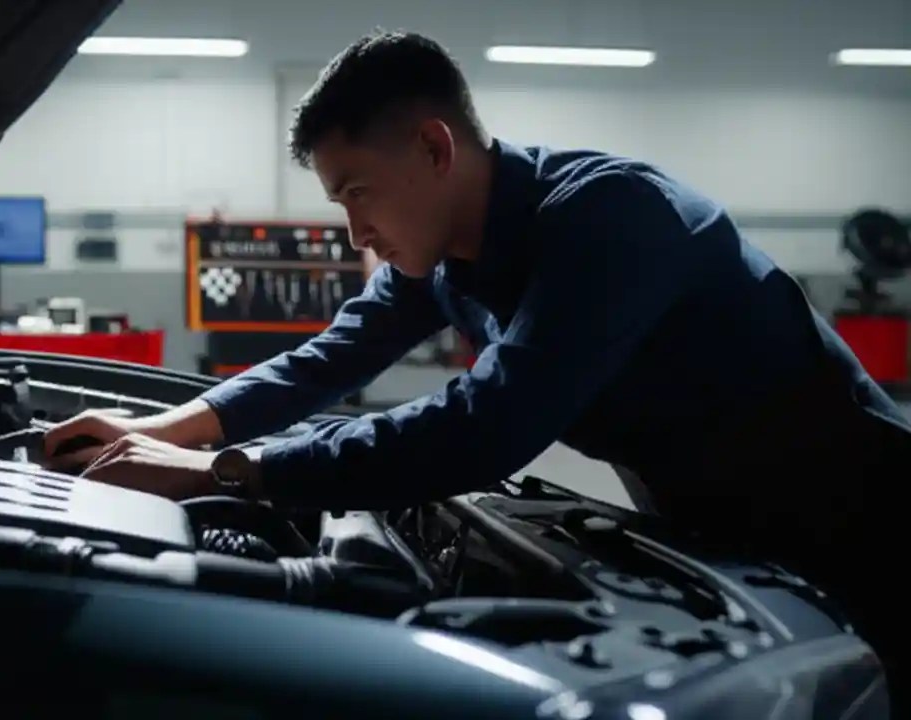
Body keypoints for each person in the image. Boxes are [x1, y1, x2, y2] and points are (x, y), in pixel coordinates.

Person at [45, 30, 909, 703]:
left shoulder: (610, 217)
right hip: (718, 535)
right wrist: (155, 434)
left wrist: (228, 472)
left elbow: (485, 426)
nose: (356, 235)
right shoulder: (445, 258)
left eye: (356, 194)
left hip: (863, 524)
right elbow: (325, 360)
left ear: (434, 147)